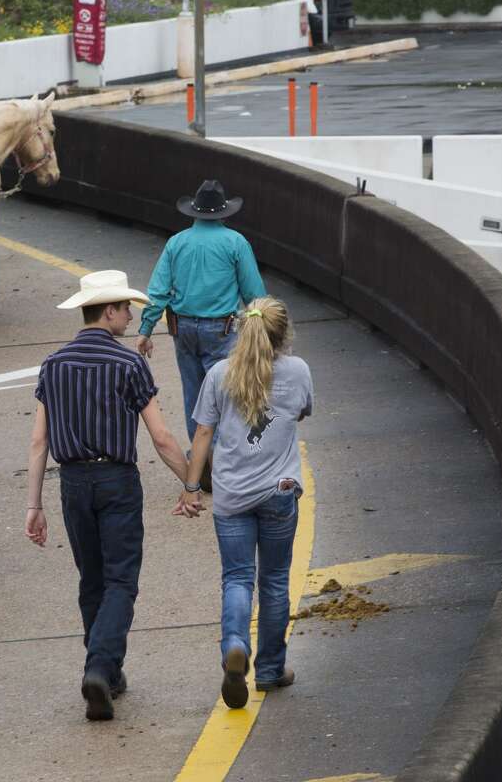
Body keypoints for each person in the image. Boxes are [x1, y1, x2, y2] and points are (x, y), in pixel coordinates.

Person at [24, 270, 191, 721]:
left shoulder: (53, 365)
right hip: (116, 480)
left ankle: (108, 673)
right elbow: (161, 437)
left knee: (92, 579)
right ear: (110, 310)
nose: (132, 315)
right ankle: (99, 667)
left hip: (72, 483)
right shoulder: (129, 364)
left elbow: (39, 442)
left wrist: (34, 504)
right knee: (121, 581)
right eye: (126, 307)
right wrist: (190, 483)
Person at [175, 297, 313, 709]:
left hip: (232, 496)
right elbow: (302, 412)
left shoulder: (219, 374)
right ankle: (270, 669)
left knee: (237, 579)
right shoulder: (298, 370)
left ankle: (235, 645)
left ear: (241, 329)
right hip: (279, 491)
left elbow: (202, 434)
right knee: (274, 581)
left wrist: (191, 487)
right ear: (283, 334)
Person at [135, 180, 267, 444]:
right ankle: (223, 459)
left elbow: (158, 291)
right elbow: (254, 294)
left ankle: (201, 461)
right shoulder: (235, 242)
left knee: (193, 397)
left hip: (182, 329)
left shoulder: (176, 243)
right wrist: (265, 332)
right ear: (223, 211)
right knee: (226, 397)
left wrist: (145, 330)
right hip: (222, 329)